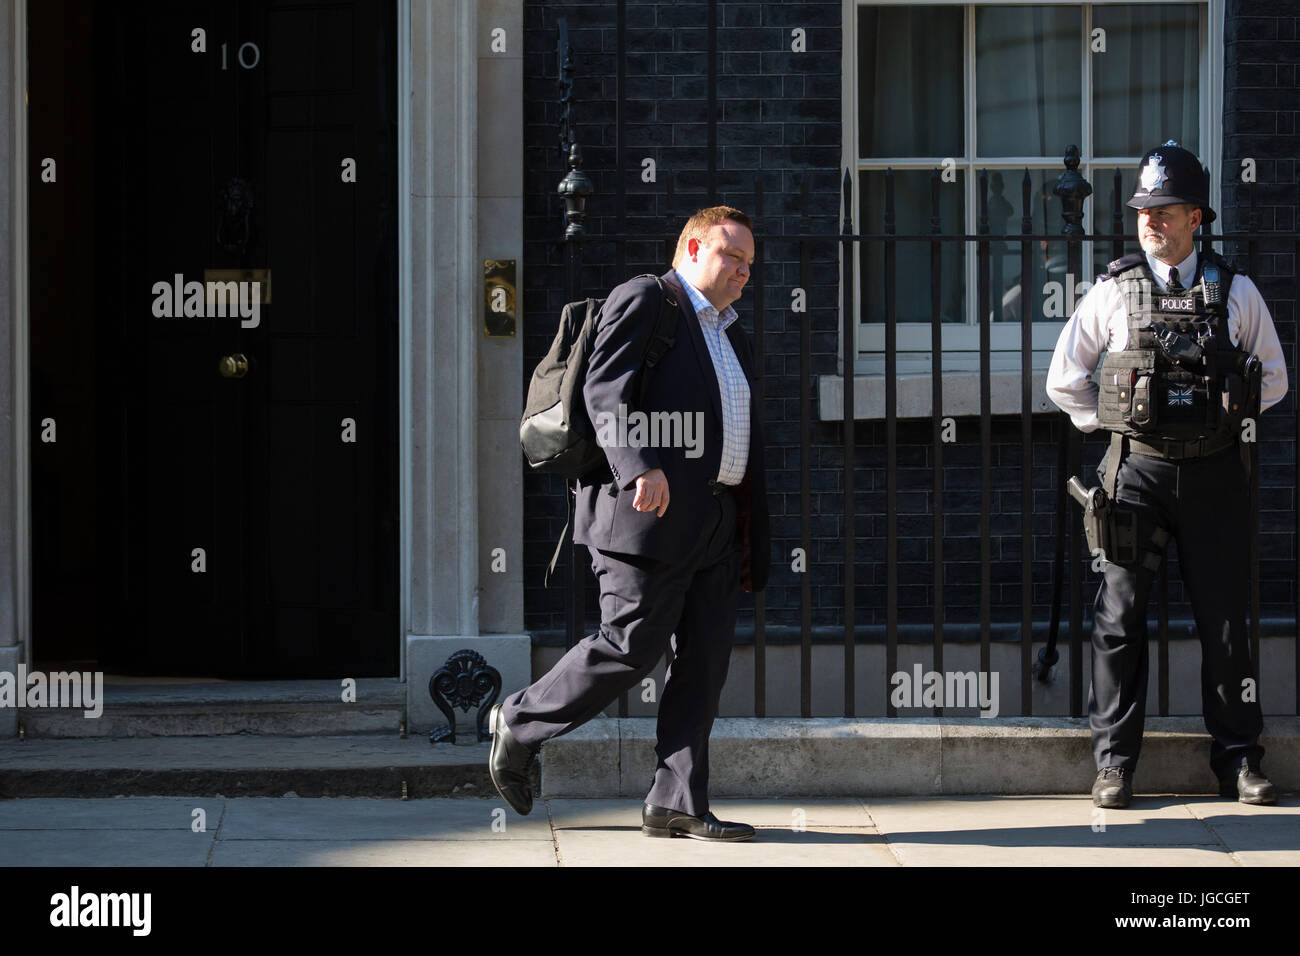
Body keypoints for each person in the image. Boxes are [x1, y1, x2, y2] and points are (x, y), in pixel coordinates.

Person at [489, 206, 770, 841]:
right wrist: (638, 464)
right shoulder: (647, 300)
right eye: (733, 257)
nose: (744, 273)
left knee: (704, 663)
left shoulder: (733, 335)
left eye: (750, 264)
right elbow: (603, 390)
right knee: (629, 645)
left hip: (719, 520)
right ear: (693, 247)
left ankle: (677, 801)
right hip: (645, 513)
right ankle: (519, 721)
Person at [1047, 141, 1287, 808]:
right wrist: (1114, 422)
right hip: (1137, 476)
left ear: (1196, 216)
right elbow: (1064, 380)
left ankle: (1240, 762)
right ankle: (1115, 765)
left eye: (1163, 209)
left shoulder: (1235, 291)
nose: (1149, 219)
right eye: (1142, 209)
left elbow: (1273, 380)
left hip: (1214, 476)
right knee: (1119, 619)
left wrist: (1219, 418)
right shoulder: (1113, 291)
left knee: (1227, 624)